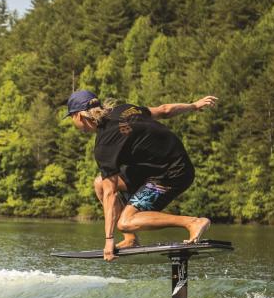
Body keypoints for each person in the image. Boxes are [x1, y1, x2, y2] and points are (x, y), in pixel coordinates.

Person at [66, 89, 217, 261]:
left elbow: (111, 194)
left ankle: (193, 222)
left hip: (172, 173)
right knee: (100, 182)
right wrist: (194, 105)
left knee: (125, 221)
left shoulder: (104, 144)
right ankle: (131, 239)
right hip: (162, 165)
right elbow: (165, 110)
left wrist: (109, 240)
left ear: (78, 116)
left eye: (71, 118)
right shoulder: (125, 109)